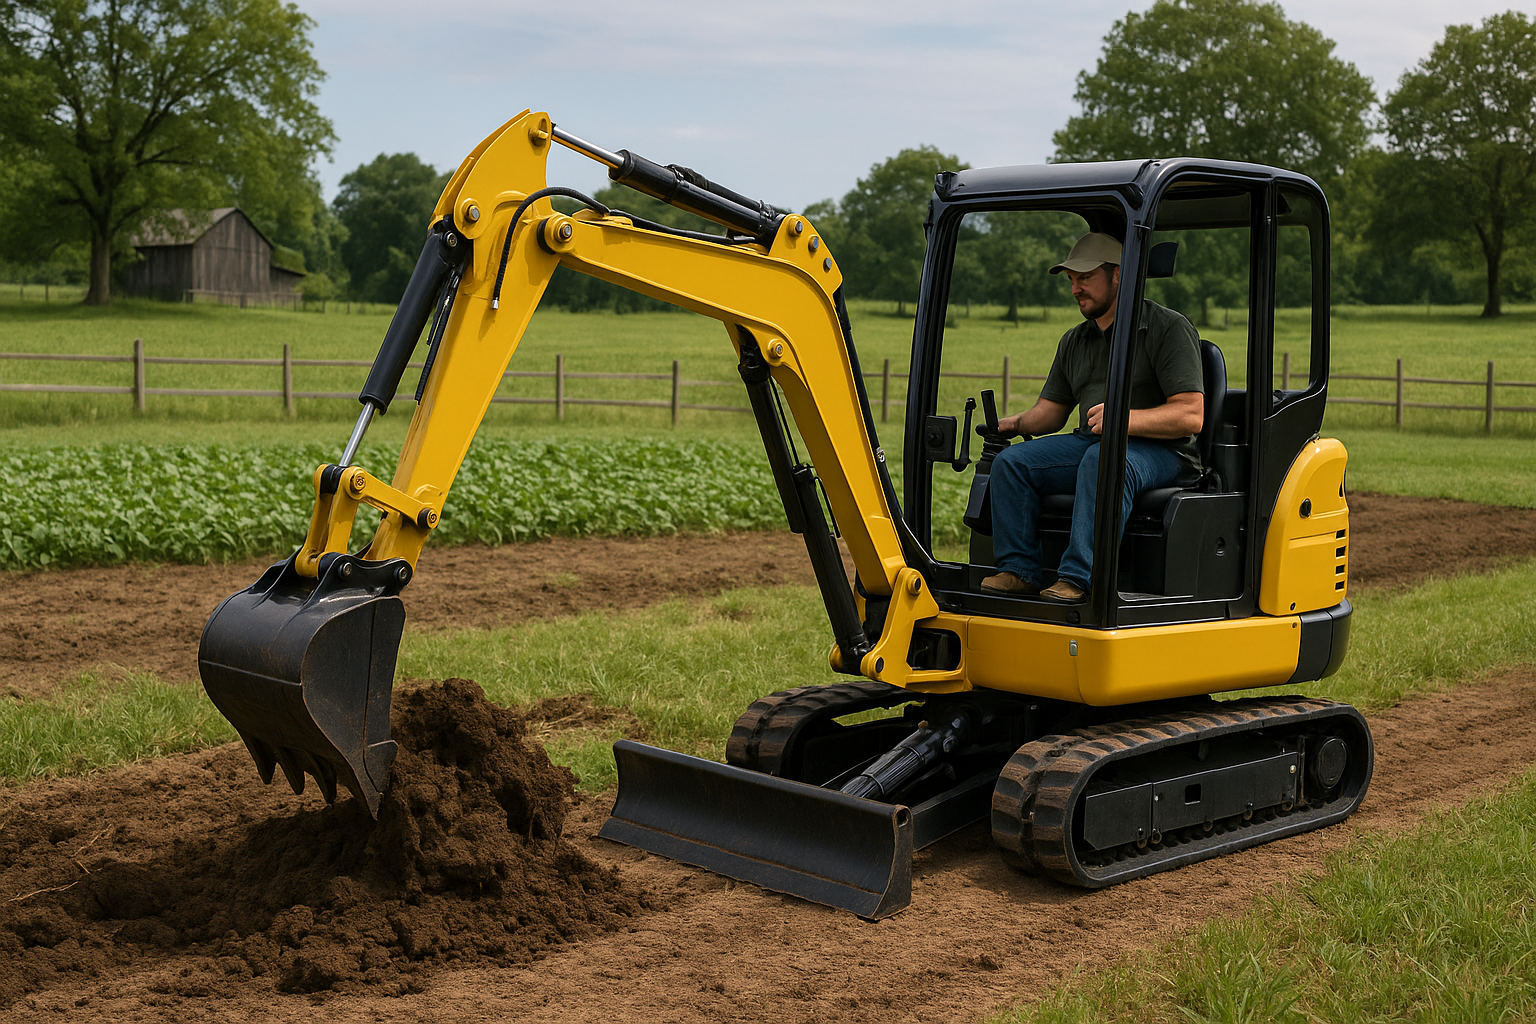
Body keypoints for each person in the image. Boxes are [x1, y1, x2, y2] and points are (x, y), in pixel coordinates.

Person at [980, 232, 1204, 601]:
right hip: (1094, 442)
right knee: (1012, 463)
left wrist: (1122, 419)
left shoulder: (1167, 327)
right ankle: (1019, 571)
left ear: (1118, 274)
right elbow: (1051, 412)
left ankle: (1080, 579)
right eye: (1072, 280)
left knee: (1102, 460)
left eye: (1085, 278)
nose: (1076, 289)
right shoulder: (1075, 340)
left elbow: (1190, 415)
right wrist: (1015, 424)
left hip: (1164, 452)